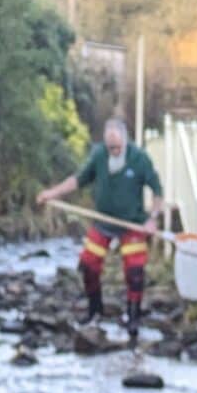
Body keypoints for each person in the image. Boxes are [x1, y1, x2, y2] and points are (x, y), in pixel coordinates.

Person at [37, 118, 165, 343]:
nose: (113, 150)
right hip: (103, 224)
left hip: (132, 224)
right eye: (110, 147)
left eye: (117, 146)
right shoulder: (99, 156)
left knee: (135, 272)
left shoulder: (139, 159)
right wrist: (52, 193)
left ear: (125, 140)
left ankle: (133, 315)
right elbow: (78, 180)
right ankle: (95, 310)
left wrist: (153, 219)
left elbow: (157, 191)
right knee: (88, 264)